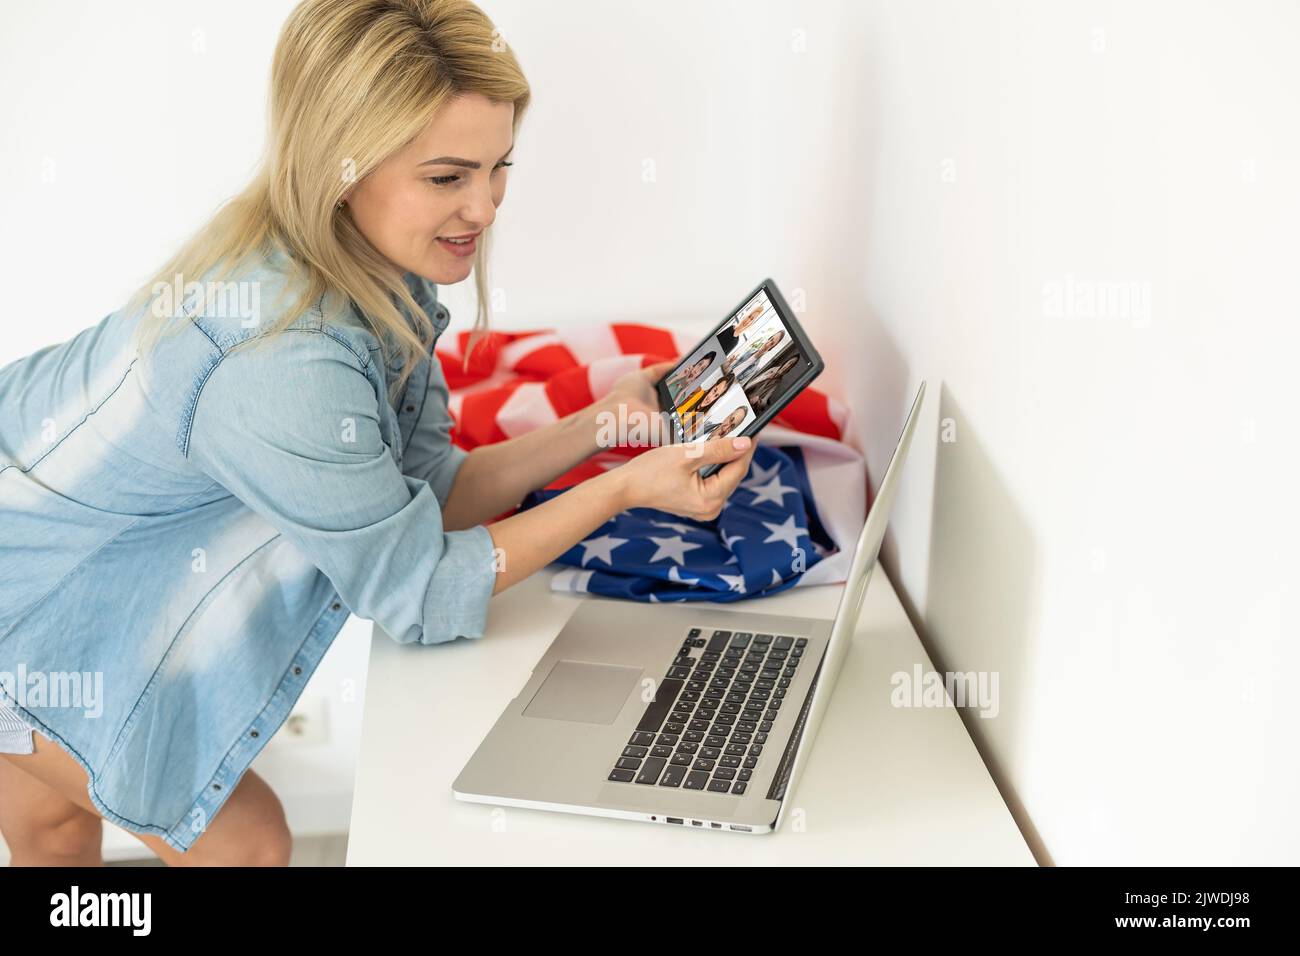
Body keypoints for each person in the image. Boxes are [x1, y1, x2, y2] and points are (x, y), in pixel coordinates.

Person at [0, 0, 755, 868]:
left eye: (498, 166)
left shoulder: (368, 281)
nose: (485, 206)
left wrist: (604, 426)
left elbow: (428, 493)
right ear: (341, 168)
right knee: (244, 846)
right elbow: (423, 593)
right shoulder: (285, 360)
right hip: (17, 581)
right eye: (447, 177)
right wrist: (621, 487)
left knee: (52, 829)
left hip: (38, 557)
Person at [676, 372, 737, 438]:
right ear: (713, 386)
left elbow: (685, 437)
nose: (710, 398)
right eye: (714, 390)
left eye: (716, 395)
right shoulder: (697, 391)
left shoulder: (702, 417)